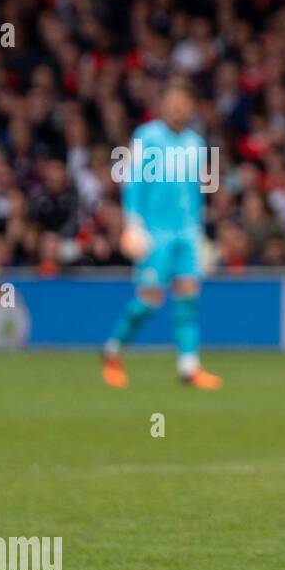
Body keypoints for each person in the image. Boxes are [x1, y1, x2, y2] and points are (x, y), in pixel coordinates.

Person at [101, 80, 222, 389]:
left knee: (187, 299)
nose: (177, 108)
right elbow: (134, 183)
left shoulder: (197, 143)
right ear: (163, 105)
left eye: (183, 103)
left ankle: (189, 367)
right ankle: (113, 351)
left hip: (186, 233)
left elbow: (197, 193)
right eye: (172, 102)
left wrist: (200, 233)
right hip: (155, 233)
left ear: (192, 107)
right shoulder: (148, 137)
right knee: (150, 301)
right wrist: (133, 224)